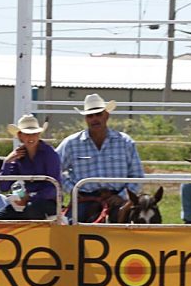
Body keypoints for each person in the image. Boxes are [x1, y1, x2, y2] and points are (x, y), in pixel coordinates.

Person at [57, 94, 144, 223]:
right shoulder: (71, 143)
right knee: (69, 228)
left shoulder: (125, 142)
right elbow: (54, 168)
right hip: (85, 199)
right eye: (90, 116)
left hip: (118, 198)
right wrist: (72, 190)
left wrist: (122, 196)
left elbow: (137, 175)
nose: (94, 119)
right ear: (86, 119)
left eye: (98, 114)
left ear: (106, 115)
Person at [0, 113, 62, 219]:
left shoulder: (49, 154)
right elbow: (4, 187)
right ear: (20, 136)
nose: (31, 137)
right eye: (27, 134)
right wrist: (7, 162)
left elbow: (54, 188)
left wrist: (29, 197)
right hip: (25, 203)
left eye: (34, 134)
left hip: (48, 204)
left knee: (31, 208)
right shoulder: (19, 155)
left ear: (39, 135)